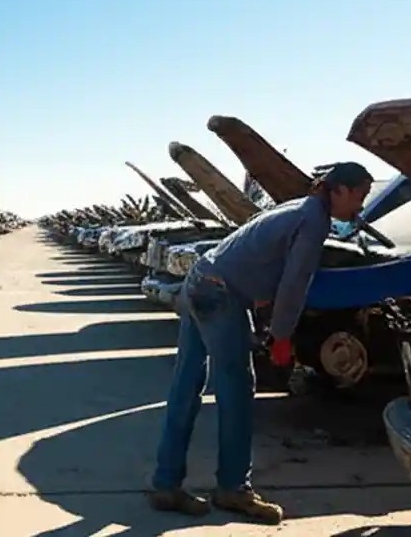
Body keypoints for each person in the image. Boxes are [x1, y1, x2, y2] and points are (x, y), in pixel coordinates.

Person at [147, 162, 373, 524]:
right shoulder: (314, 221)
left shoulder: (298, 207)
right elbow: (294, 284)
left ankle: (165, 484)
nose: (360, 207)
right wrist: (282, 337)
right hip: (220, 293)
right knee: (237, 389)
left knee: (186, 386)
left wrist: (264, 303)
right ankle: (233, 489)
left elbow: (263, 262)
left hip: (200, 280)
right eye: (359, 196)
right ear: (340, 190)